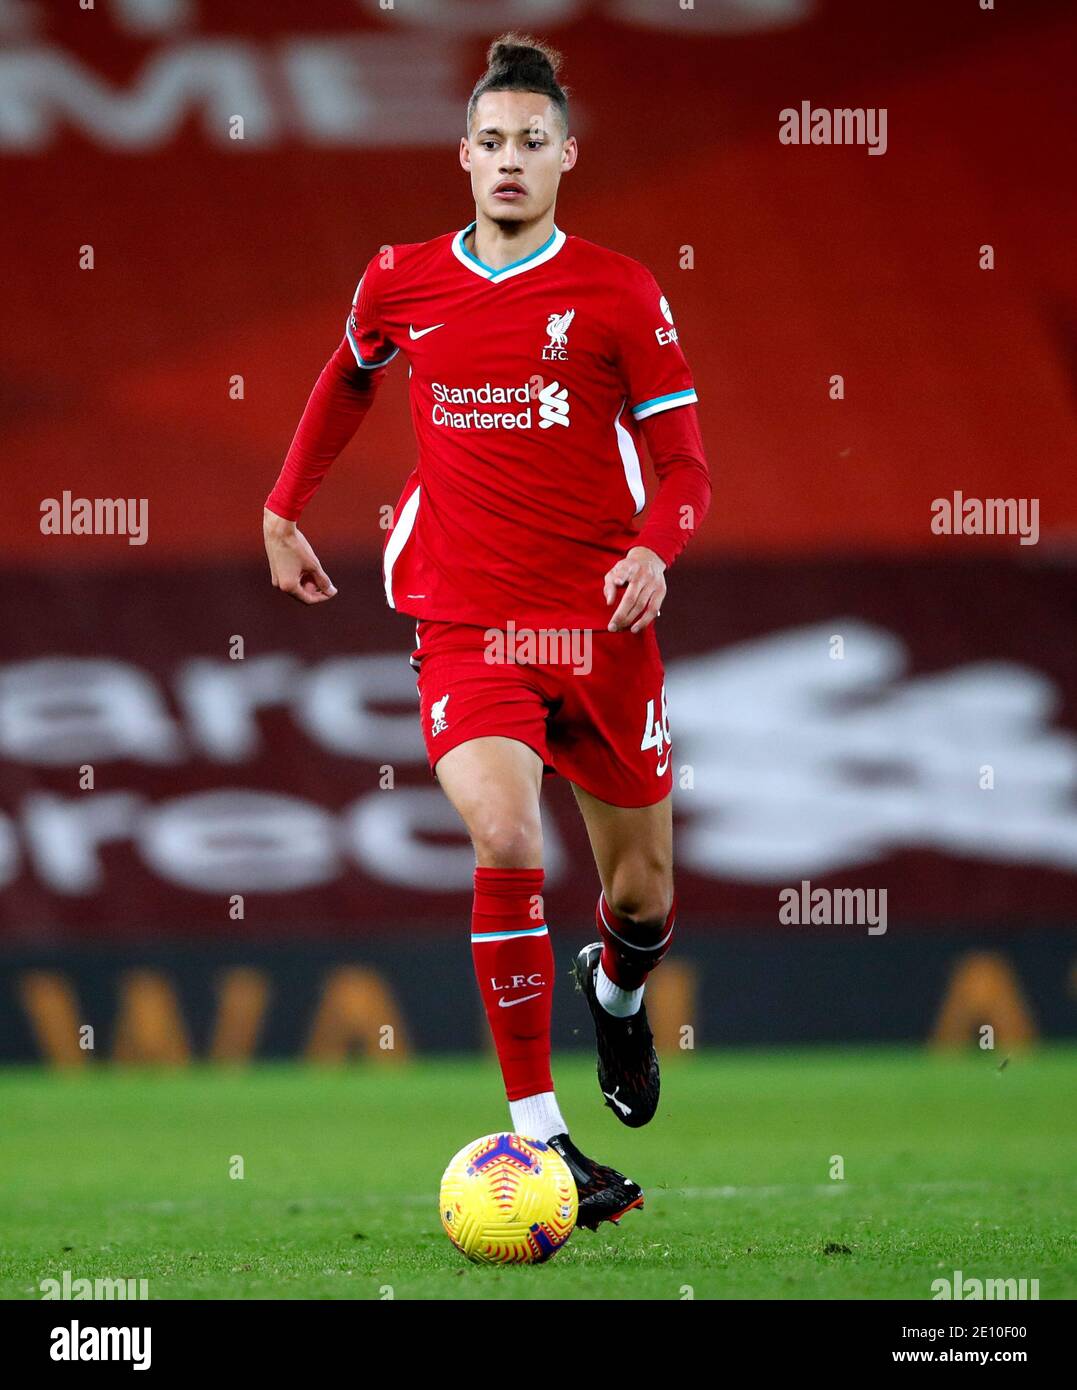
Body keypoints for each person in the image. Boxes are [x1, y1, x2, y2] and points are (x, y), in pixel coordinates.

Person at [264, 34, 711, 1230]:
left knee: (645, 895)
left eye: (533, 142)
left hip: (601, 628)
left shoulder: (619, 292)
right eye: (492, 143)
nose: (511, 161)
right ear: (464, 158)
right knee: (507, 834)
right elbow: (348, 376)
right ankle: (545, 1139)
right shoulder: (400, 279)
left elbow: (684, 468)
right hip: (470, 624)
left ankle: (615, 999)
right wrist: (283, 505)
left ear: (567, 155)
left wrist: (650, 553)